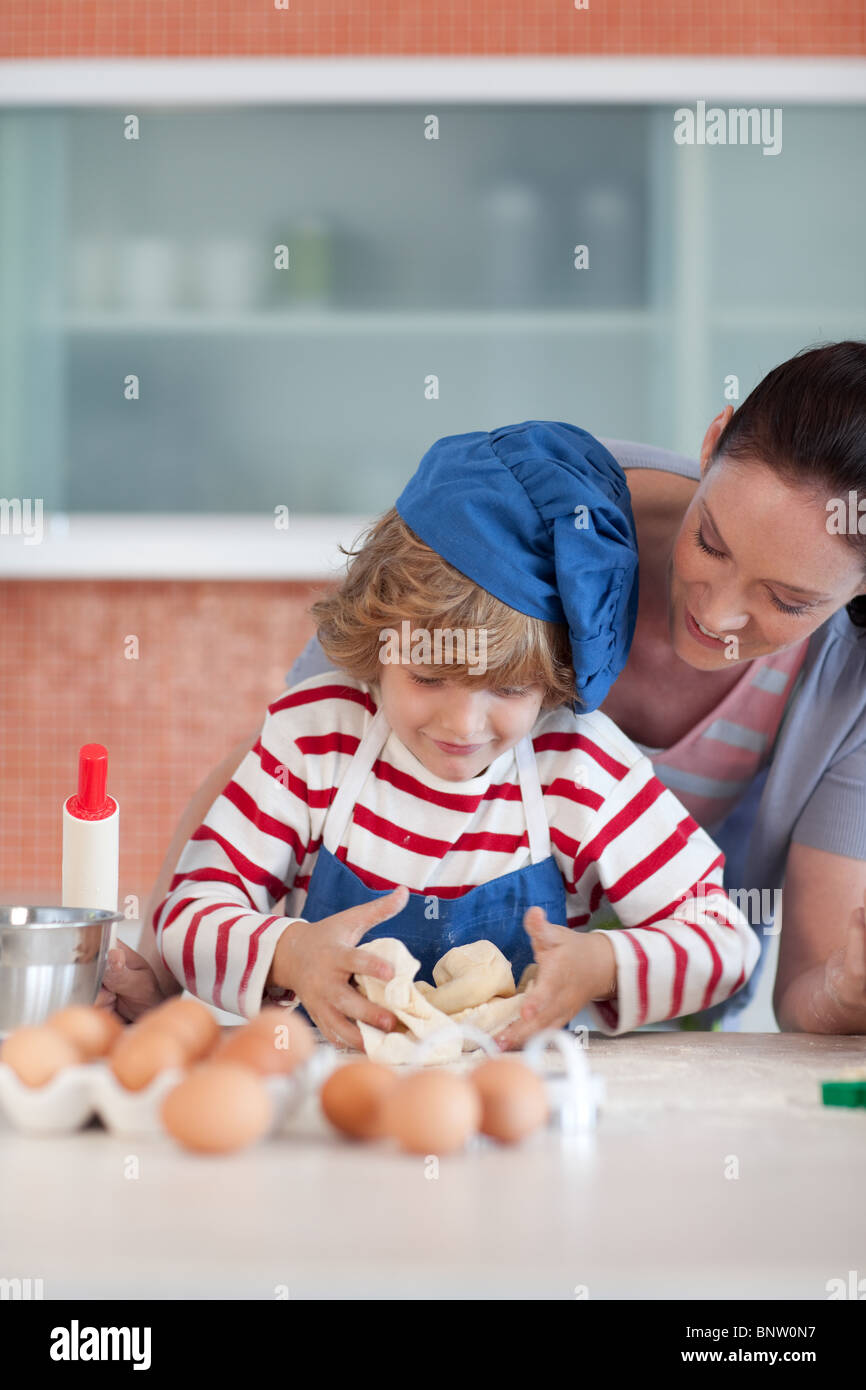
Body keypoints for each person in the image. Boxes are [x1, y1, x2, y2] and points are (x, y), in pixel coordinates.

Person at [104, 340, 866, 1034]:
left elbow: (725, 942)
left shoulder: (578, 763)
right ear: (378, 645)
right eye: (430, 673)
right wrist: (287, 952)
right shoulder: (323, 727)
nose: (465, 724)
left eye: (507, 688)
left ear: (558, 677)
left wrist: (600, 967)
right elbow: (194, 900)